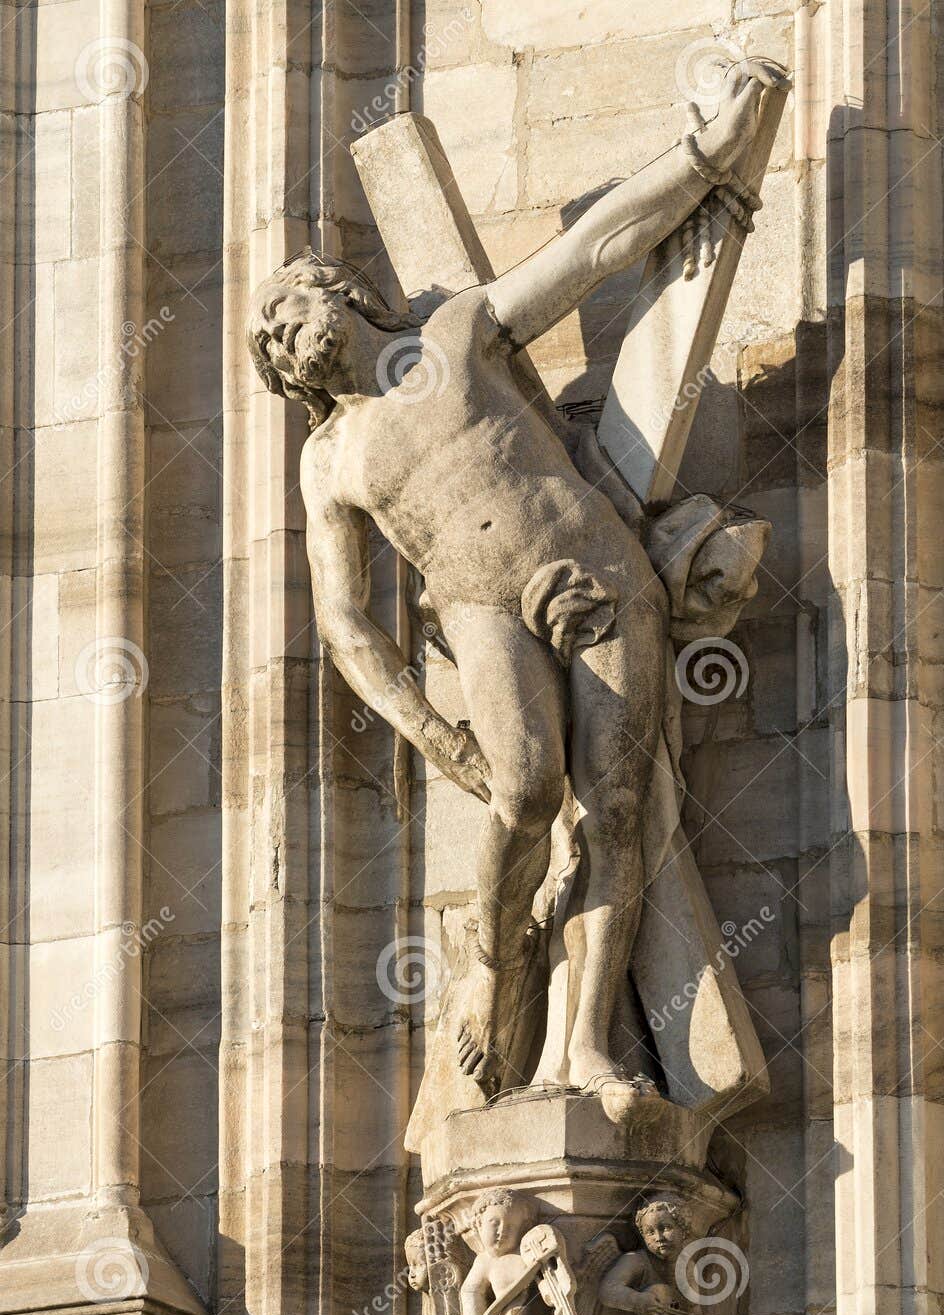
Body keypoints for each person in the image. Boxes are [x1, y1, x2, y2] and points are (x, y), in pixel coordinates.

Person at [247, 63, 784, 1120]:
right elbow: (347, 624)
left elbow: (591, 251)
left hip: (593, 570)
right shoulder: (332, 459)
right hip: (482, 609)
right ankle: (498, 954)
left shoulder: (451, 335)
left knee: (615, 805)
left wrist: (705, 159)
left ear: (337, 291)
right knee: (528, 792)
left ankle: (580, 1048)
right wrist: (431, 733)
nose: (277, 334)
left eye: (281, 307)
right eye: (266, 342)